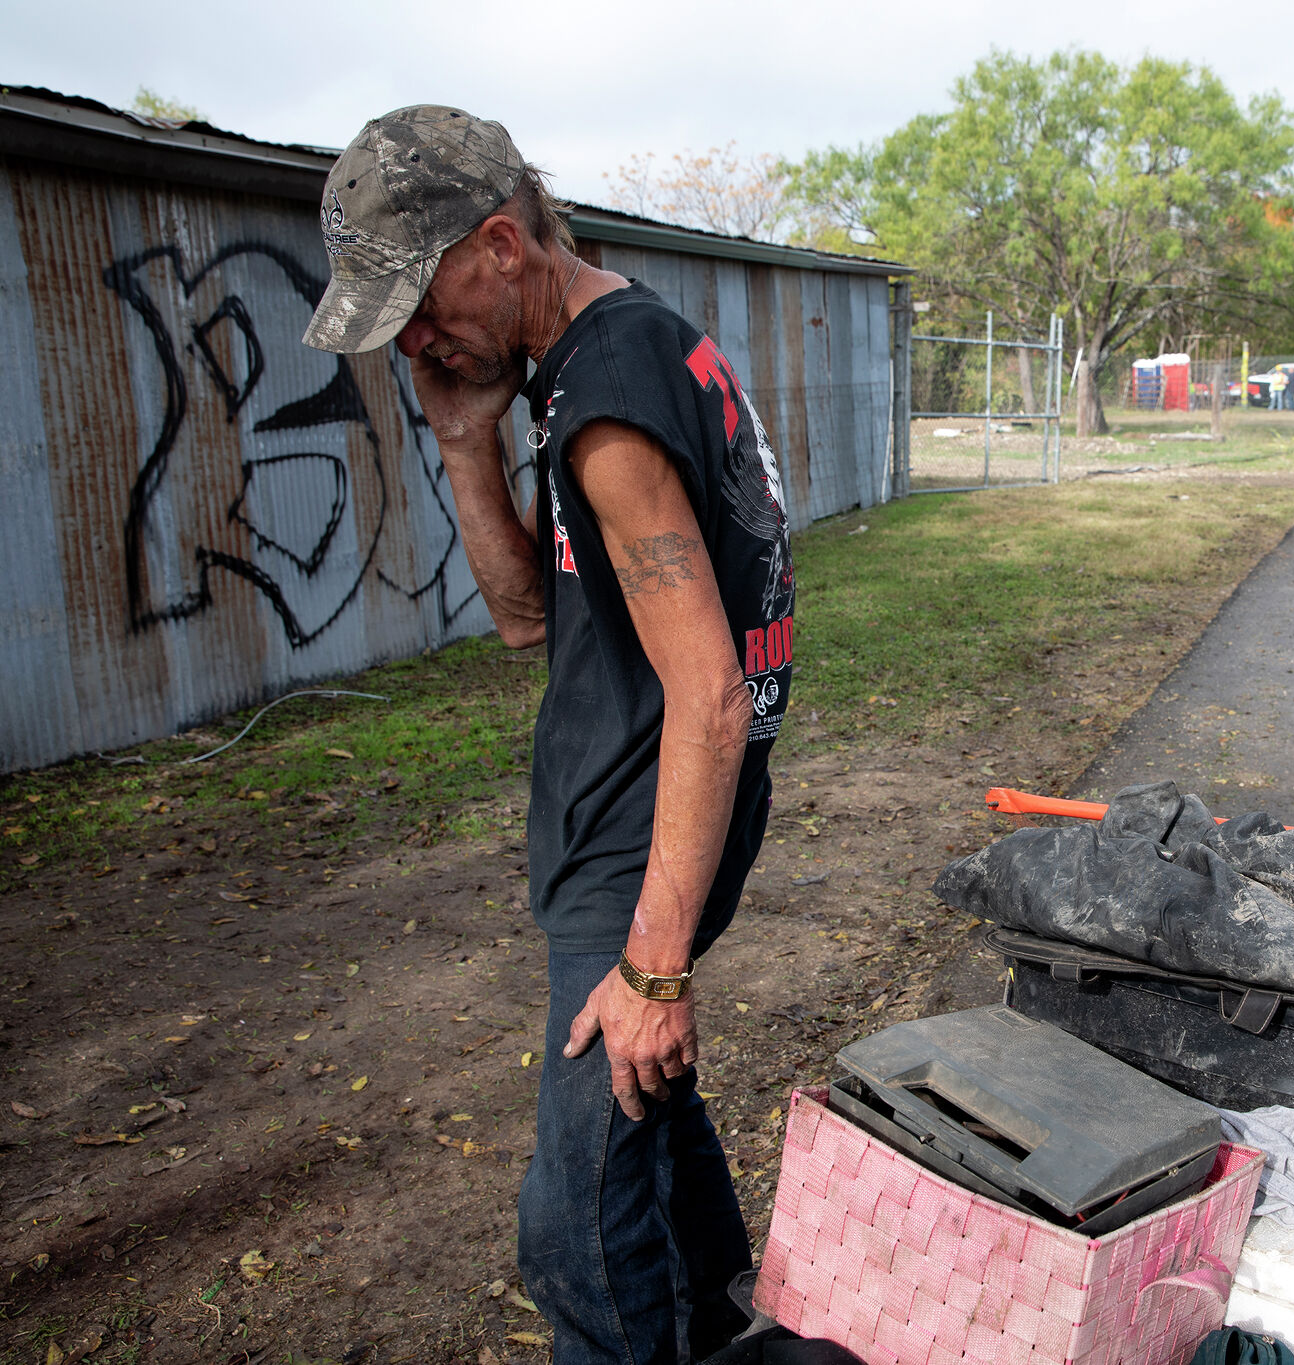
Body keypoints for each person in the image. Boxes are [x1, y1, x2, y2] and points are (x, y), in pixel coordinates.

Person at [303, 106, 794, 1364]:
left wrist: (654, 967)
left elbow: (713, 694)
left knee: (575, 1232)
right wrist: (465, 437)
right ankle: (741, 1330)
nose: (415, 334)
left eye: (419, 297)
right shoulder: (587, 364)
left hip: (638, 850)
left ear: (502, 243)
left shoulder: (610, 405)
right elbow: (531, 619)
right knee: (656, 1155)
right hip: (618, 833)